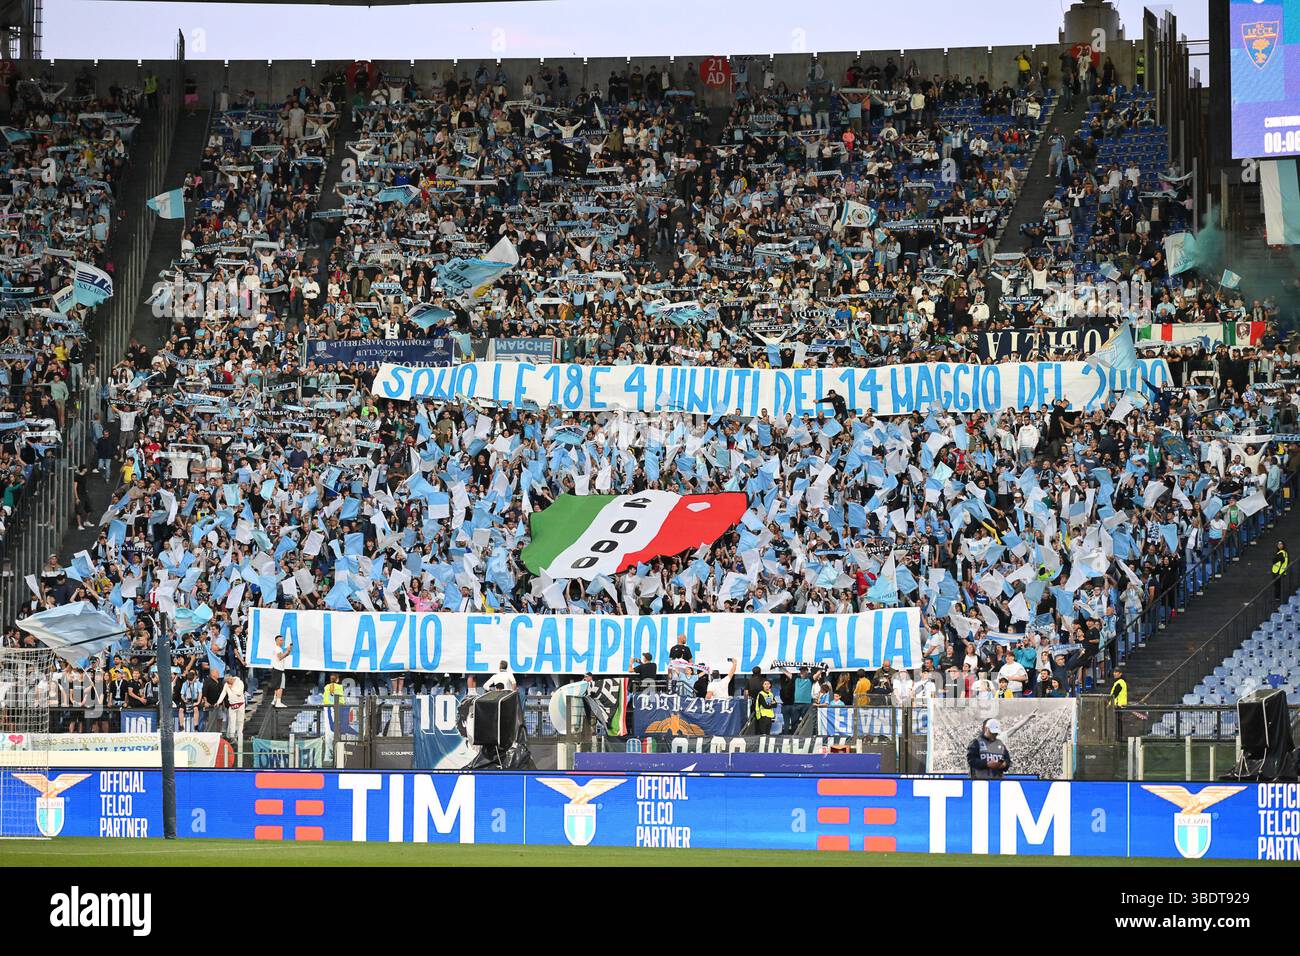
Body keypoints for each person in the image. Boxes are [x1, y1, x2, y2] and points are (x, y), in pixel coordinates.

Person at [216, 671, 246, 742]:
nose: (227, 683)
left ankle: (239, 736)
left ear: (231, 678)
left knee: (240, 721)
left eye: (228, 681)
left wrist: (232, 688)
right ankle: (232, 737)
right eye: (226, 682)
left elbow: (239, 692)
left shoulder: (240, 682)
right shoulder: (226, 684)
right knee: (232, 721)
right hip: (232, 705)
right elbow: (223, 693)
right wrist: (218, 702)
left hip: (240, 704)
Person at [270, 634, 291, 708]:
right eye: (280, 640)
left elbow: (284, 655)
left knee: (277, 686)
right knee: (280, 686)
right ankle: (278, 701)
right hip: (278, 669)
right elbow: (280, 657)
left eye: (283, 640)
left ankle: (275, 700)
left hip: (278, 669)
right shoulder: (277, 648)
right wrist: (287, 651)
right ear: (276, 641)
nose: (282, 641)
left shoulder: (279, 649)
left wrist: (288, 651)